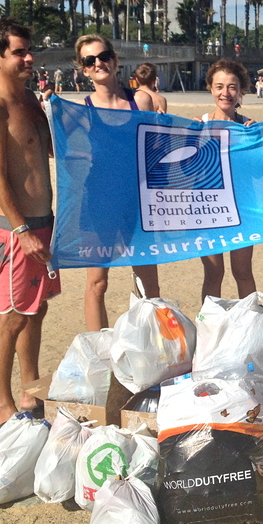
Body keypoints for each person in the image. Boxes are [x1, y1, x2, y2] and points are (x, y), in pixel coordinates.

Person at [0, 18, 62, 428]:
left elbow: (52, 153)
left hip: (44, 223)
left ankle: (30, 389)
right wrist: (22, 230)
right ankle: (2, 405)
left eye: (30, 51)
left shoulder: (30, 101)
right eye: (19, 53)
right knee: (10, 317)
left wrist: (57, 113)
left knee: (35, 310)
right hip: (16, 231)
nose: (29, 58)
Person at [73, 34, 159, 331]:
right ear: (84, 69)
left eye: (104, 56)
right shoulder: (80, 110)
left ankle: (152, 343)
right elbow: (56, 148)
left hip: (136, 203)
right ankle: (100, 348)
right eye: (89, 60)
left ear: (115, 60)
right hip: (97, 202)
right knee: (97, 283)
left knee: (148, 282)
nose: (98, 63)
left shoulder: (141, 100)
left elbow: (157, 145)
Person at [200, 59, 257, 301]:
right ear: (211, 89)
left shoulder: (248, 126)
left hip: (242, 208)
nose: (226, 93)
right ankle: (211, 322)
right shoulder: (198, 125)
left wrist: (256, 141)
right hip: (207, 208)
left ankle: (251, 319)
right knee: (214, 273)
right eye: (219, 86)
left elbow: (260, 172)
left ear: (241, 90)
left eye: (232, 87)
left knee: (242, 271)